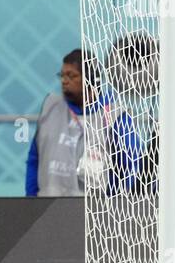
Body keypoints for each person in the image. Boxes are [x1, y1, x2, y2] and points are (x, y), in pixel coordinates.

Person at [26, 47, 139, 197]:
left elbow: (130, 167)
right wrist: (30, 200)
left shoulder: (116, 116)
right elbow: (34, 159)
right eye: (62, 75)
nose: (64, 81)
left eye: (71, 76)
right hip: (45, 211)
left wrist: (114, 207)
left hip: (92, 214)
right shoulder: (51, 107)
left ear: (91, 79)